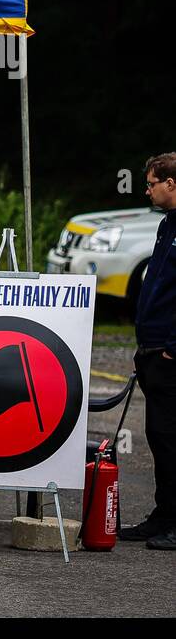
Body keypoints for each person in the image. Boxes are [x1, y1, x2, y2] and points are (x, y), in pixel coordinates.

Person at [122, 152, 176, 550]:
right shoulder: (166, 225)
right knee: (159, 436)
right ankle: (164, 515)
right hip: (153, 350)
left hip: (170, 353)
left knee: (172, 438)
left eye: (151, 182)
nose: (147, 189)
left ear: (170, 184)